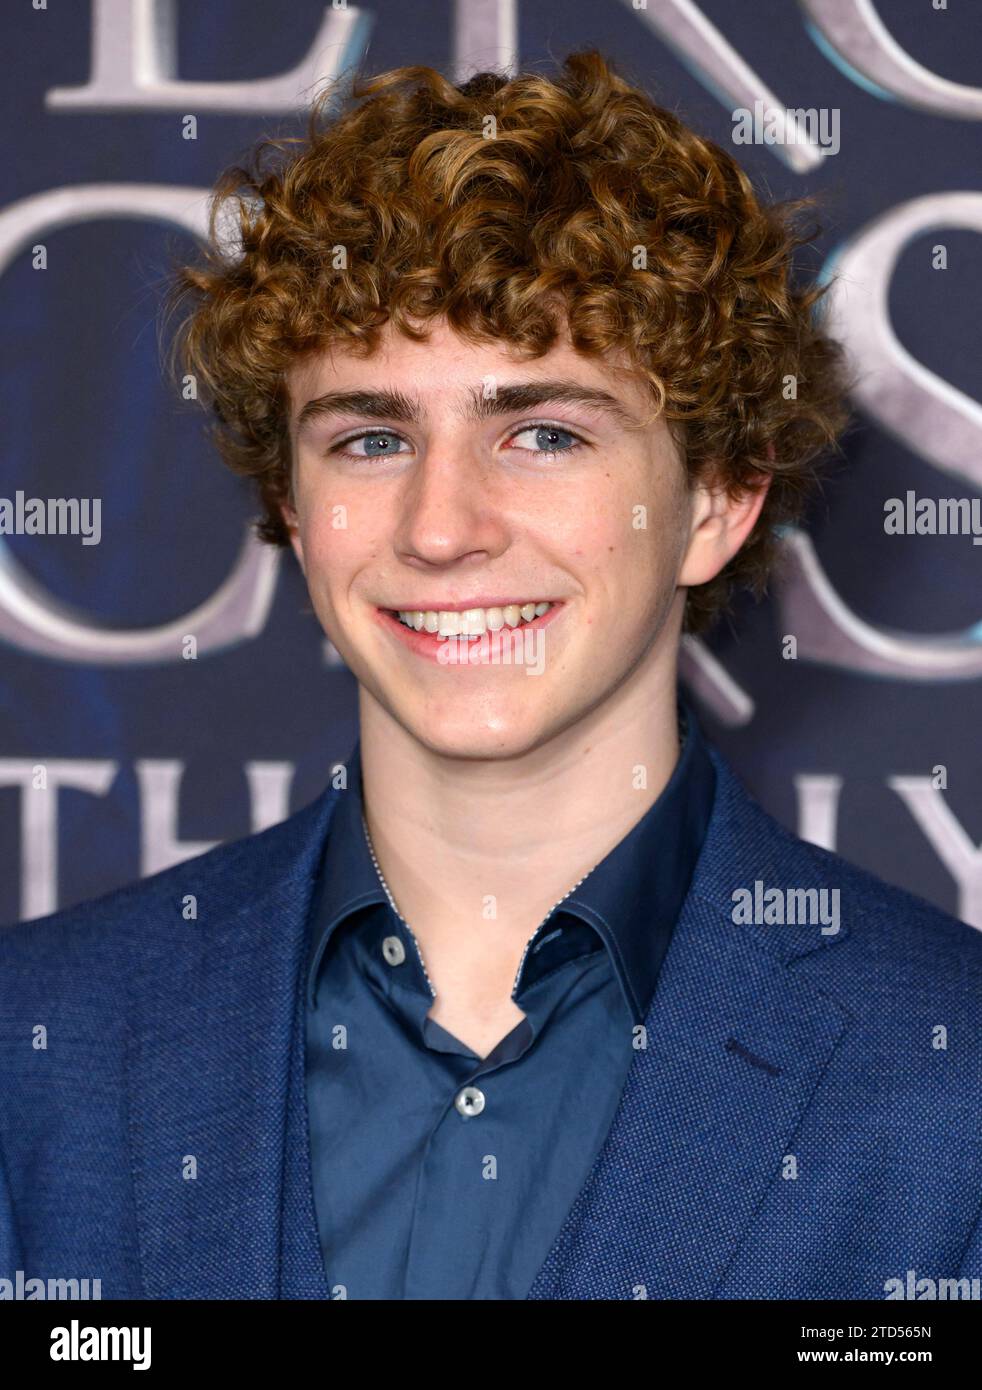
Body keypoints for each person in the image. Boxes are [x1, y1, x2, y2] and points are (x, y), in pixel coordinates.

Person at [2, 50, 980, 1302]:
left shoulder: (949, 1078)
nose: (440, 527)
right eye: (371, 438)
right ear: (293, 507)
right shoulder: (42, 1043)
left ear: (719, 501)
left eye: (543, 433)